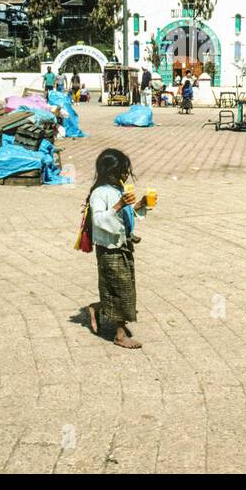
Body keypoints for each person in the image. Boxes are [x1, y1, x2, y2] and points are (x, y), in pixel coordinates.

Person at [84, 148, 150, 350]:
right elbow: (99, 220)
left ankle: (98, 307)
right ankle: (120, 335)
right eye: (122, 171)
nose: (125, 176)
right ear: (109, 172)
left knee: (121, 288)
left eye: (126, 172)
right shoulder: (100, 193)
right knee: (122, 290)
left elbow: (124, 216)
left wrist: (139, 205)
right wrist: (119, 205)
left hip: (123, 245)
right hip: (109, 249)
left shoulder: (117, 190)